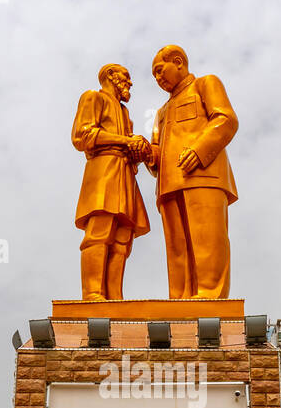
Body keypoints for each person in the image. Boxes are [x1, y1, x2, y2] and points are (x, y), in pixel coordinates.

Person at [147, 45, 239, 299]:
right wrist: (147, 154)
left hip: (204, 175)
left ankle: (210, 295)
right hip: (168, 184)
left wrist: (199, 151)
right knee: (177, 249)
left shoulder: (205, 84)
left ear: (178, 62)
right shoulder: (161, 112)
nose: (158, 79)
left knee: (208, 240)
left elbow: (226, 119)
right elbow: (157, 149)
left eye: (159, 70)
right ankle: (180, 299)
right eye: (154, 75)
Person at [72, 63, 152, 300]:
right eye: (126, 76)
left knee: (122, 237)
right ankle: (93, 294)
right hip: (103, 170)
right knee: (99, 231)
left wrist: (138, 150)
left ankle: (114, 298)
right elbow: (82, 136)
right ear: (110, 75)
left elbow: (126, 146)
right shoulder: (93, 98)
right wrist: (126, 141)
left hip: (125, 173)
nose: (130, 82)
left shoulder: (125, 112)